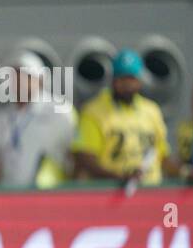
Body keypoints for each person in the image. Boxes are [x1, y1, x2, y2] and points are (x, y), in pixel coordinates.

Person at [71, 49, 169, 186]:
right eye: (122, 78)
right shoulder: (94, 111)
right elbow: (85, 158)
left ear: (140, 81)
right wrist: (118, 177)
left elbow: (162, 155)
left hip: (149, 191)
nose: (127, 85)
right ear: (113, 80)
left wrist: (186, 173)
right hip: (110, 192)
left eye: (132, 78)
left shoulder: (152, 110)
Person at [0, 51, 75, 188]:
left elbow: (74, 159)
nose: (19, 81)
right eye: (15, 75)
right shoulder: (1, 120)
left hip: (51, 197)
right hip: (11, 200)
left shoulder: (60, 111)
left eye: (26, 76)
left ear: (40, 79)